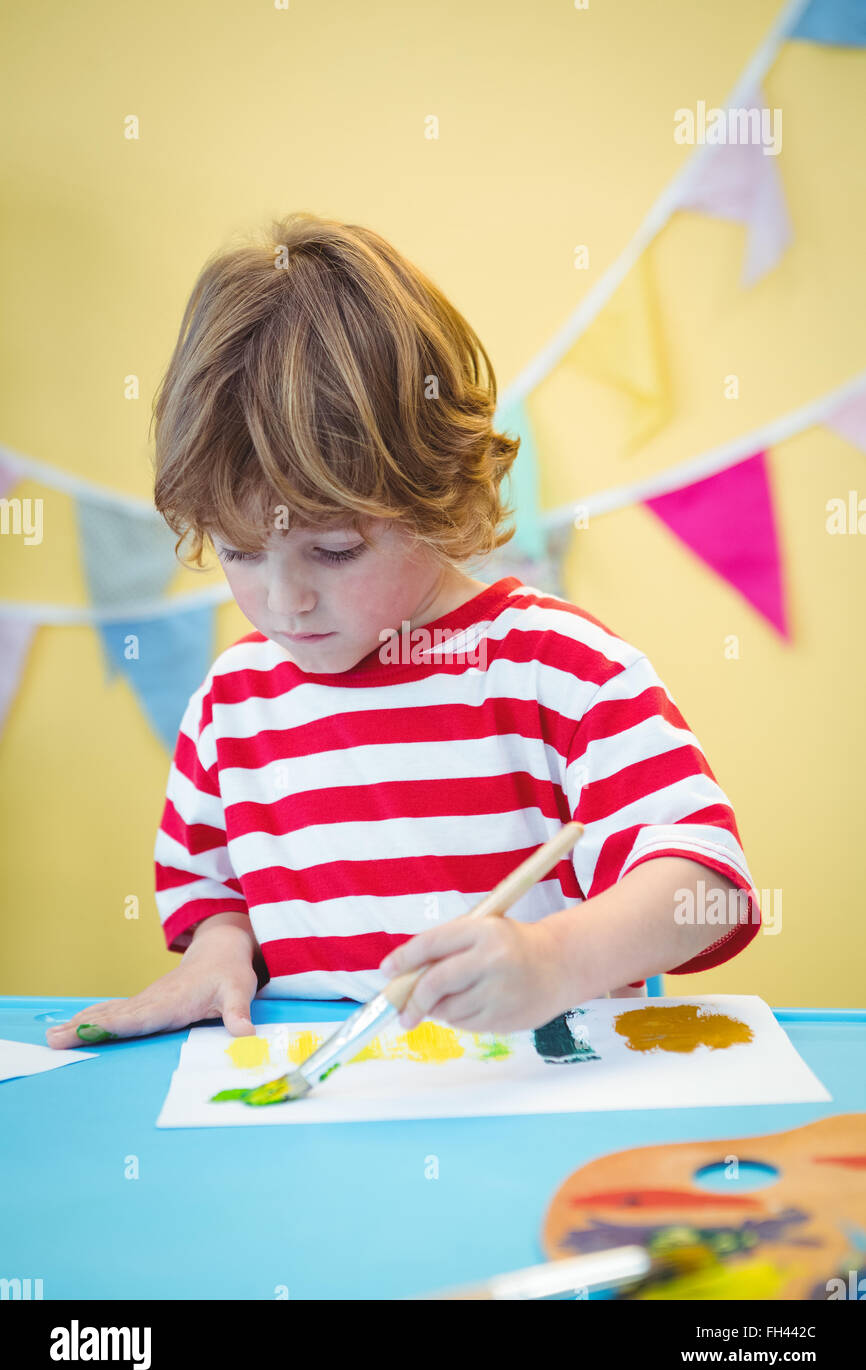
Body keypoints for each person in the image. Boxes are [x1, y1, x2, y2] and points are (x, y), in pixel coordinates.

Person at [46, 212, 760, 1051]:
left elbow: (707, 884)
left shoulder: (558, 670)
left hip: (535, 1118)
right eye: (239, 550)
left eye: (335, 550)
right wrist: (217, 951)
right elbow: (213, 890)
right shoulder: (231, 709)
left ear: (438, 497)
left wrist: (552, 960)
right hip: (325, 1129)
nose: (284, 602)